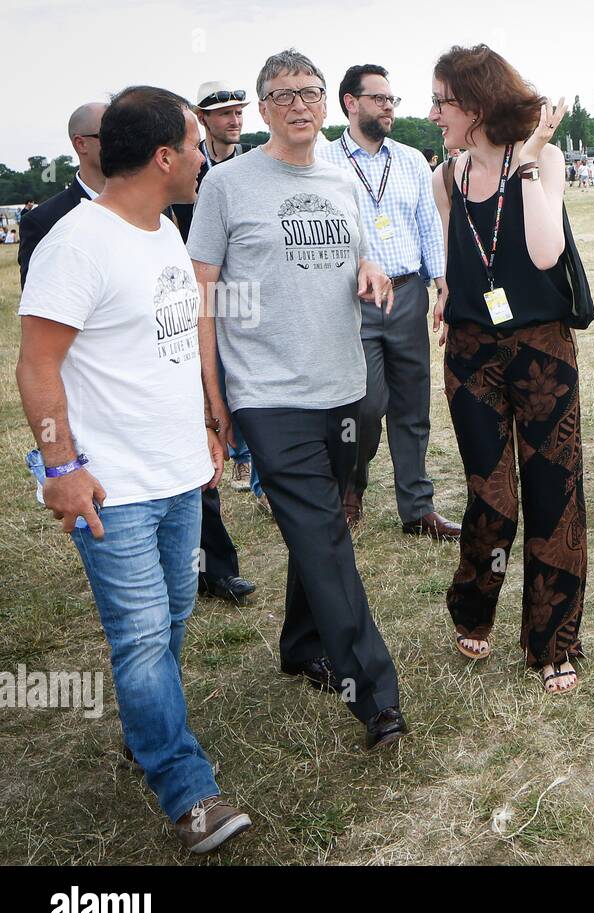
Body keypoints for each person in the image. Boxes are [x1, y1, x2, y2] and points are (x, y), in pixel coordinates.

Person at [16, 86, 252, 853]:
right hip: (111, 488)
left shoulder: (161, 234)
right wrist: (62, 466)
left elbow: (168, 352)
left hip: (179, 477)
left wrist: (204, 433)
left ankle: (149, 730)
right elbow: (37, 367)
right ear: (163, 157)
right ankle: (188, 791)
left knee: (174, 618)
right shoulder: (77, 243)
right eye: (194, 146)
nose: (202, 158)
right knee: (144, 637)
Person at [188, 49, 408, 750]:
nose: (298, 105)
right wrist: (213, 394)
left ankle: (299, 641)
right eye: (281, 96)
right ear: (262, 109)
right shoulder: (227, 184)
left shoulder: (342, 177)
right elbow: (202, 295)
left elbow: (354, 255)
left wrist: (371, 268)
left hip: (343, 385)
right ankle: (374, 693)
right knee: (324, 533)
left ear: (325, 101)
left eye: (309, 91)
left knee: (314, 532)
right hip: (268, 392)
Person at [430, 44, 587, 695]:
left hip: (542, 351)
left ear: (475, 103)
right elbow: (456, 253)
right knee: (492, 500)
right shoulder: (445, 177)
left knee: (554, 495)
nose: (433, 112)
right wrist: (443, 293)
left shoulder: (541, 158)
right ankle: (473, 605)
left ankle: (553, 642)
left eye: (442, 101)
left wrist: (525, 161)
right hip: (470, 356)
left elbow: (546, 250)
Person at [324, 63, 460, 541]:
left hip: (407, 297)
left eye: (392, 99)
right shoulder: (324, 163)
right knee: (363, 407)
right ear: (350, 103)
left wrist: (442, 283)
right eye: (379, 98)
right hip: (353, 302)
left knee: (412, 406)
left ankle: (417, 508)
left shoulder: (408, 160)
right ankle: (350, 488)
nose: (389, 107)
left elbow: (428, 225)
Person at [166, 82, 262, 603]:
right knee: (203, 421)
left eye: (238, 110)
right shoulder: (185, 171)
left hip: (242, 307)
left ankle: (262, 479)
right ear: (202, 119)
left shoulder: (250, 164)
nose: (234, 119)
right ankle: (211, 565)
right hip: (192, 310)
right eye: (223, 112)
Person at [18, 103, 107, 288]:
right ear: (81, 143)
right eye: (111, 135)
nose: (123, 143)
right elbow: (38, 302)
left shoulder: (154, 207)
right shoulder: (43, 221)